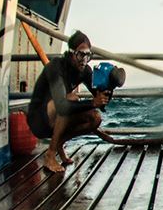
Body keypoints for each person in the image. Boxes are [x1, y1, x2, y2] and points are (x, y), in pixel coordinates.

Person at [27, 30, 109, 174]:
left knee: (95, 118)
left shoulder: (85, 70)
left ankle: (59, 143)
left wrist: (107, 88)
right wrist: (92, 103)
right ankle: (50, 155)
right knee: (71, 99)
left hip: (57, 117)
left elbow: (100, 102)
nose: (84, 60)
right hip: (39, 120)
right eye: (80, 55)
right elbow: (62, 106)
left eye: (88, 55)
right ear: (71, 53)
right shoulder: (56, 66)